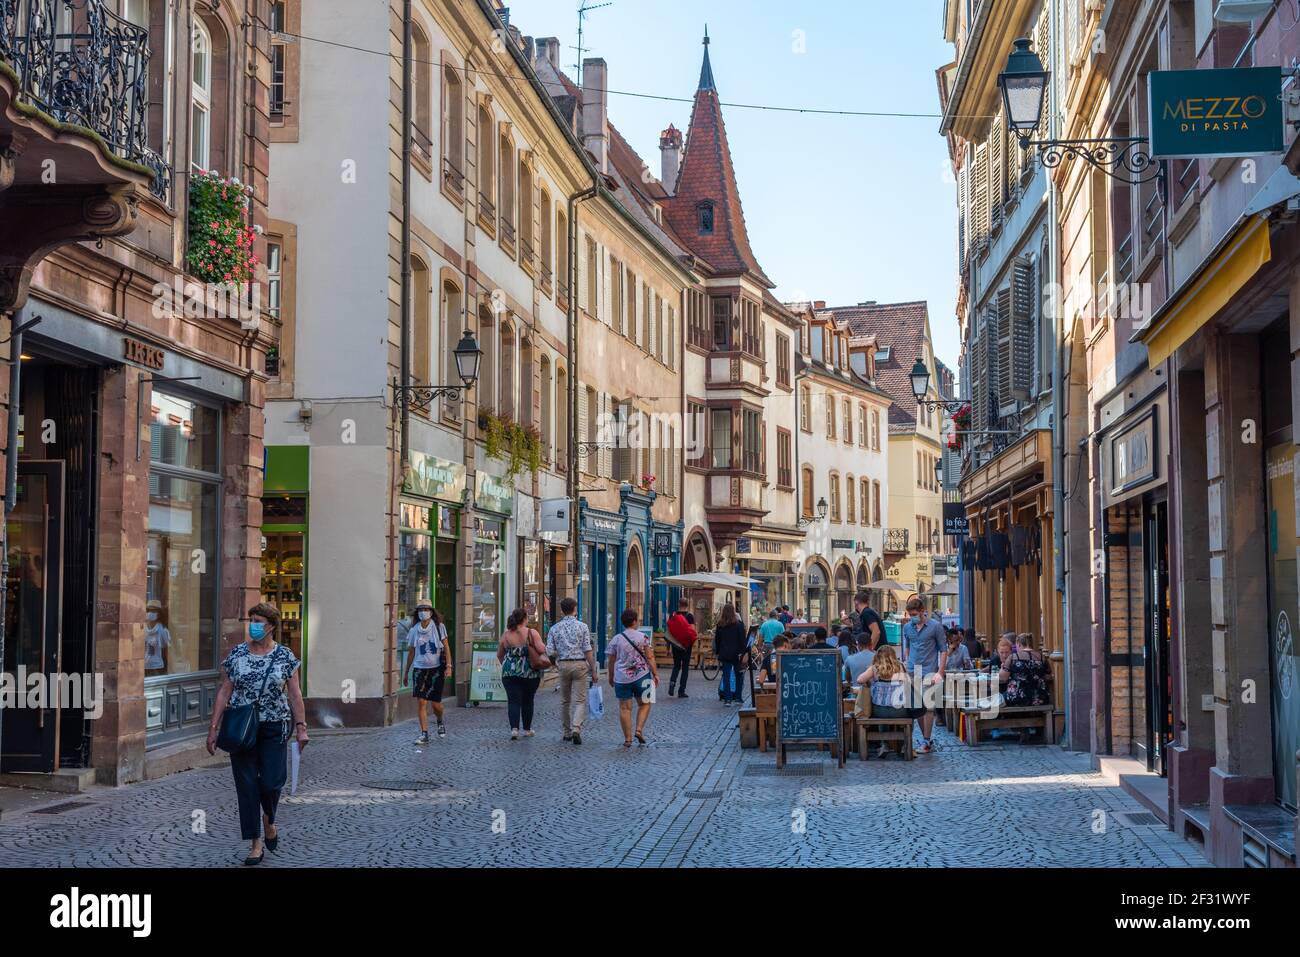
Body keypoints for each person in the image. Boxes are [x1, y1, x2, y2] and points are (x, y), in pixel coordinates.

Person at [207, 602, 307, 866]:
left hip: (275, 726)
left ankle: (269, 819)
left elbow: (295, 694)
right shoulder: (237, 654)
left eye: (259, 621)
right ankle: (255, 842)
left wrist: (301, 727)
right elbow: (224, 692)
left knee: (273, 782)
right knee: (247, 785)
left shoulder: (285, 656)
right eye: (251, 620)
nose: (253, 625)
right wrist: (213, 728)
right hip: (241, 729)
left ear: (271, 626)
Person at [545, 596, 599, 744]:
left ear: (562, 611)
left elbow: (549, 650)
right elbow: (588, 650)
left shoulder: (554, 628)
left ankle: (567, 732)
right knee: (580, 699)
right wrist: (593, 669)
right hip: (580, 664)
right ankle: (576, 728)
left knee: (565, 701)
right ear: (575, 609)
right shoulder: (583, 627)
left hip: (563, 665)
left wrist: (555, 662)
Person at [901, 597, 947, 754]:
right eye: (910, 614)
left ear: (922, 611)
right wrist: (907, 663)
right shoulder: (907, 628)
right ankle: (924, 737)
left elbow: (943, 650)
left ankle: (926, 740)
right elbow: (907, 646)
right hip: (914, 670)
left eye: (914, 614)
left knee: (928, 706)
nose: (912, 617)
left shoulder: (935, 627)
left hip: (930, 670)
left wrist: (940, 671)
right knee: (916, 707)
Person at [607, 608, 657, 747]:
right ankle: (639, 730)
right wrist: (656, 674)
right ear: (634, 621)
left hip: (622, 678)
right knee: (645, 703)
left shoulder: (616, 639)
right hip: (642, 675)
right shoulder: (643, 637)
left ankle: (628, 739)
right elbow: (650, 656)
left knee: (624, 708)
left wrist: (611, 676)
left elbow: (611, 660)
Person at [402, 600, 450, 743]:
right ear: (417, 612)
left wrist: (449, 666)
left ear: (431, 611)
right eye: (421, 609)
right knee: (421, 702)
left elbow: (446, 647)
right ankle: (424, 733)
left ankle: (439, 720)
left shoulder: (439, 627)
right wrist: (406, 672)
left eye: (426, 609)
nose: (423, 611)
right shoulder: (414, 630)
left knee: (436, 704)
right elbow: (411, 652)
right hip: (419, 669)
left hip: (436, 669)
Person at [855, 645, 915, 758]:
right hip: (900, 711)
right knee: (911, 716)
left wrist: (870, 684)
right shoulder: (901, 666)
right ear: (893, 656)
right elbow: (908, 683)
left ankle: (884, 744)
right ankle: (904, 746)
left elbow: (859, 679)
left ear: (877, 656)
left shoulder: (874, 668)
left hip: (879, 711)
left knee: (881, 710)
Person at [496, 608, 548, 740]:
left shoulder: (506, 635)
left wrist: (508, 665)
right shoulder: (531, 632)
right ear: (524, 618)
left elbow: (499, 655)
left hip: (509, 672)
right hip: (529, 672)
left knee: (513, 701)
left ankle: (514, 729)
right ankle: (527, 729)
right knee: (528, 700)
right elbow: (541, 649)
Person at [1000, 633, 1050, 710]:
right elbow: (1047, 675)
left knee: (996, 698)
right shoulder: (1042, 657)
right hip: (1040, 698)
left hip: (1016, 697)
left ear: (1019, 644)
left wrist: (1002, 668)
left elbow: (1003, 678)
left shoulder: (1013, 657)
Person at [713, 603, 748, 705]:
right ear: (734, 612)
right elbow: (742, 640)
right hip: (737, 654)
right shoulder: (739, 624)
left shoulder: (720, 625)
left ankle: (727, 699)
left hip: (725, 653)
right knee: (739, 675)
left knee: (726, 676)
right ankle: (738, 697)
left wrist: (718, 652)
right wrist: (743, 652)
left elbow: (717, 640)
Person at [665, 599, 698, 698]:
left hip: (675, 645)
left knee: (676, 666)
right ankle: (681, 691)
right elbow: (692, 631)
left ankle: (672, 684)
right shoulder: (690, 616)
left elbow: (669, 633)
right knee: (685, 668)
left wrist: (668, 648)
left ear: (678, 604)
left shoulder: (673, 615)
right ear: (687, 605)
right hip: (686, 646)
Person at [144, 600, 172, 673]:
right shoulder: (142, 628)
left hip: (157, 667)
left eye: (153, 611)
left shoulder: (163, 630)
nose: (150, 613)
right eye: (148, 610)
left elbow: (167, 649)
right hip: (143, 666)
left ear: (159, 614)